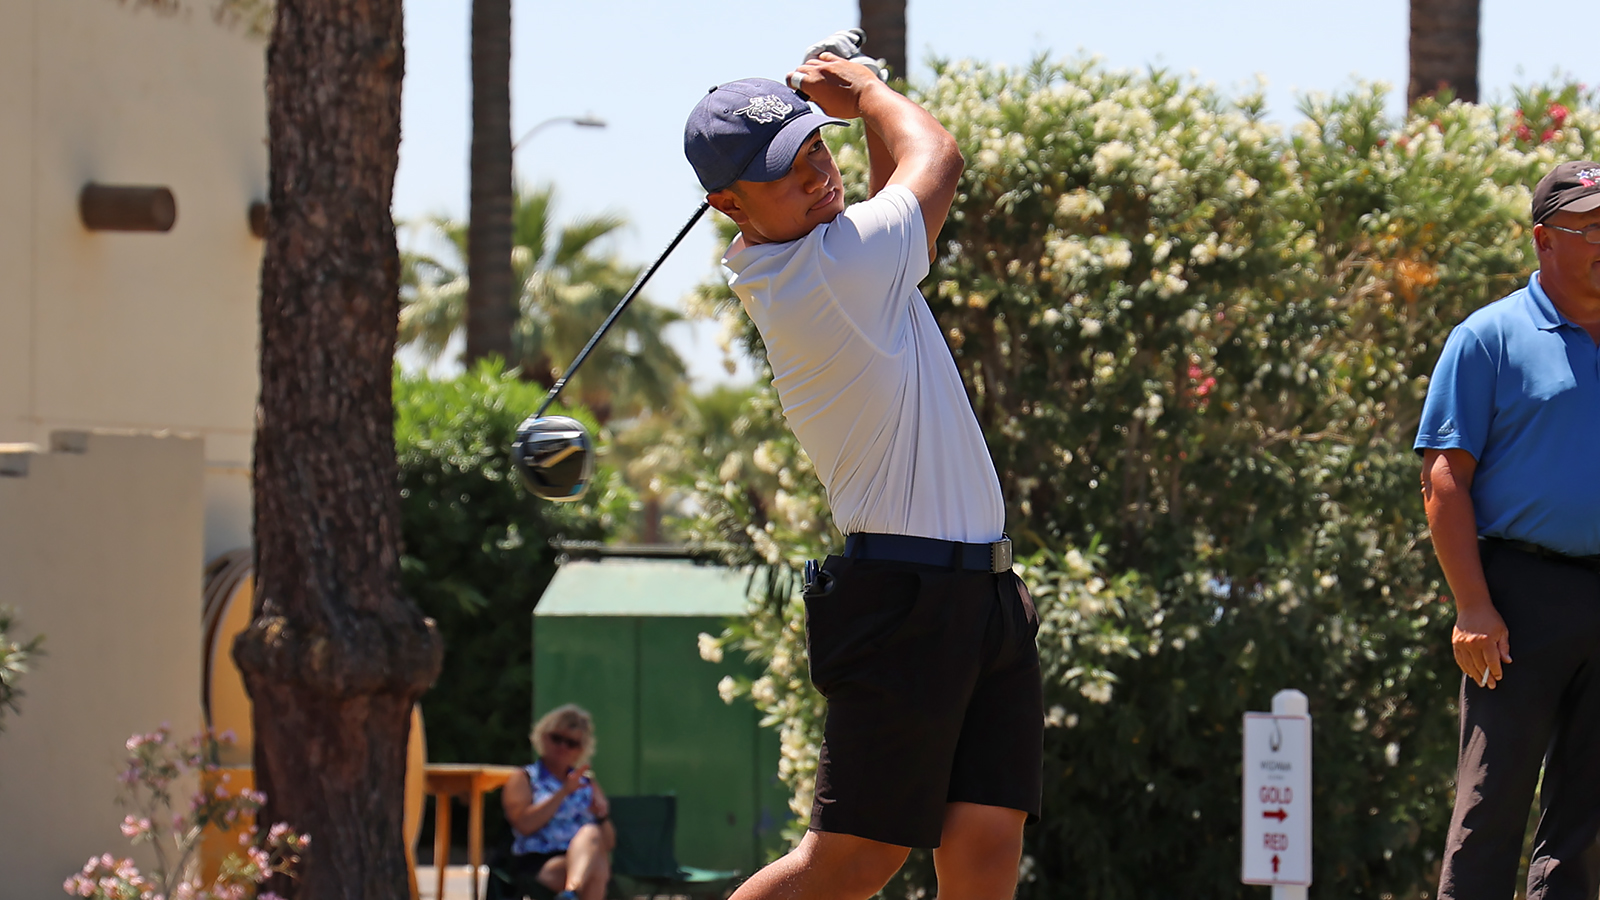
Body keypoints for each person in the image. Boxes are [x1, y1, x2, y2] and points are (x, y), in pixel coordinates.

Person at [682, 51, 1042, 900]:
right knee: (851, 861)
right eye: (785, 172)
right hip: (905, 598)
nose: (817, 176)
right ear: (727, 204)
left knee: (986, 845)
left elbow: (888, 197)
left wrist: (850, 110)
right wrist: (868, 94)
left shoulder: (839, 254)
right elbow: (938, 161)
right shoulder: (827, 273)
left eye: (817, 149)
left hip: (980, 592)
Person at [1416, 160, 1600, 900]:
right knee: (1492, 804)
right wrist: (1471, 603)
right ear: (1543, 240)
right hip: (1517, 599)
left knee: (1587, 823)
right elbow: (1444, 480)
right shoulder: (1488, 337)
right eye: (1590, 229)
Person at [497, 704, 614, 900]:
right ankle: (571, 892)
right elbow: (524, 825)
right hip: (539, 862)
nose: (562, 747)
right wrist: (563, 792)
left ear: (581, 750)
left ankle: (571, 892)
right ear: (543, 737)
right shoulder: (525, 778)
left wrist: (602, 816)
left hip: (582, 859)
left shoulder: (587, 783)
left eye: (571, 743)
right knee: (598, 866)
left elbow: (609, 842)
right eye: (556, 739)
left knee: (593, 839)